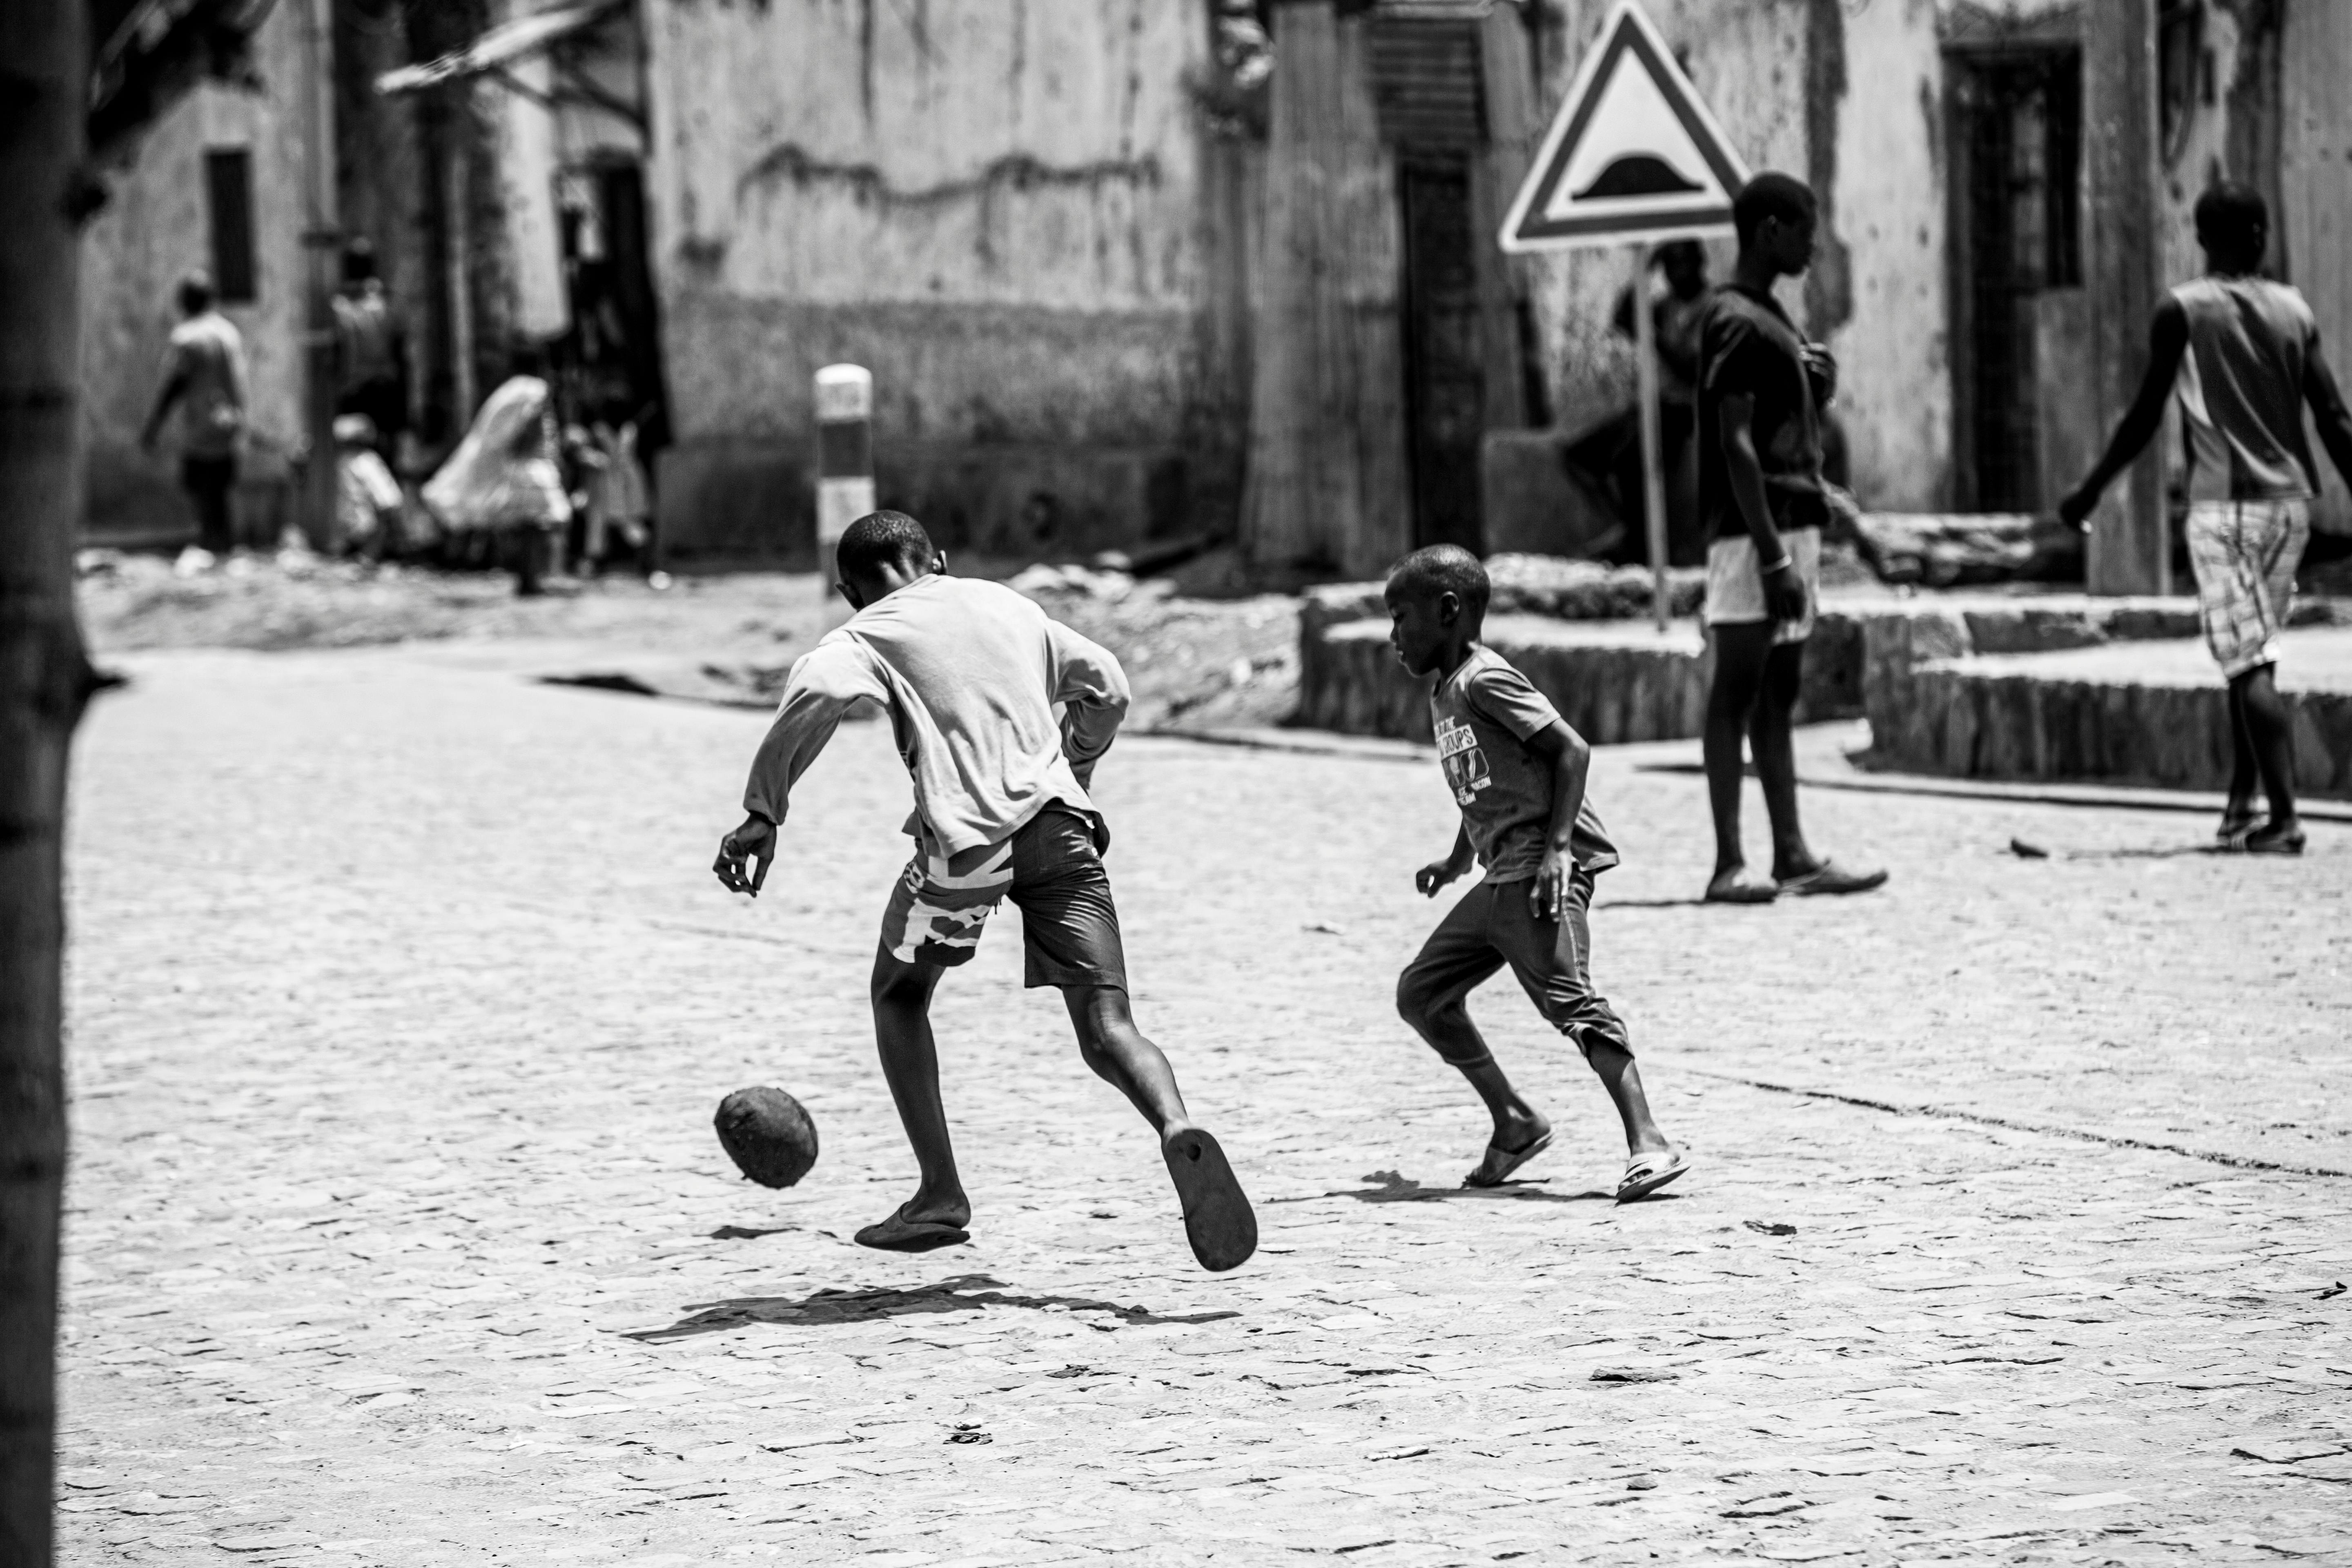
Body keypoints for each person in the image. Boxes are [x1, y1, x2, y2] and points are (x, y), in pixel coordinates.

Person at [710, 512, 1257, 1272]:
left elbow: (818, 697)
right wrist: (1076, 765)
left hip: (968, 849)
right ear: (940, 557)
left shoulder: (865, 635)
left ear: (847, 591)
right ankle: (1174, 1127)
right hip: (1065, 829)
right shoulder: (1012, 606)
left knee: (899, 994)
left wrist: (762, 812)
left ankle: (941, 1193)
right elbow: (1110, 688)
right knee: (1108, 1025)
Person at [2058, 182, 2352, 855]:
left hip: (2221, 509)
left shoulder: (2183, 310)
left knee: (2245, 660)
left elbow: (2143, 418)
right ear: (2263, 235)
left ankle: (2283, 817)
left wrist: (2090, 491)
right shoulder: (2294, 310)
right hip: (2288, 509)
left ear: (2199, 238)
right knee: (2253, 656)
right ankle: (2240, 806)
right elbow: (2333, 417)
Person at [1386, 544, 1686, 1203]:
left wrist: (1557, 852)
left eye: (1401, 619)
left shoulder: (1487, 679)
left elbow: (1571, 751)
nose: (1393, 637)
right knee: (1421, 995)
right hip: (1499, 879)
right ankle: (1515, 1122)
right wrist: (1458, 858)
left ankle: (1650, 1142)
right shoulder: (1446, 692)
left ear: (1447, 611)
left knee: (1571, 1003)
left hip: (1541, 874)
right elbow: (1486, 790)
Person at [1695, 173, 1886, 904]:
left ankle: (1793, 854)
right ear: (1770, 227)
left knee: (1780, 692)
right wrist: (1772, 554)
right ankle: (1727, 863)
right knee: (1736, 692)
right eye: (1805, 227)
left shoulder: (1767, 314)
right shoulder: (1737, 319)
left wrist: (1814, 385)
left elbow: (1775, 422)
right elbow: (1736, 445)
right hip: (1754, 536)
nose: (1813, 242)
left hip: (1790, 528)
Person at [420, 374, 570, 596]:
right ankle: (532, 580)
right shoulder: (534, 412)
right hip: (531, 476)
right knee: (541, 527)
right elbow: (526, 440)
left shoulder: (532, 409)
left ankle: (532, 579)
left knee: (535, 529)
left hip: (528, 474)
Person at [140, 271, 247, 558]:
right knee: (220, 488)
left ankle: (210, 544)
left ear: (185, 301)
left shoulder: (187, 337)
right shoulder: (228, 331)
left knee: (199, 484)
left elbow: (175, 383)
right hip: (228, 421)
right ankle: (224, 547)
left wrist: (154, 424)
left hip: (201, 424)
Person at [332, 240, 408, 456]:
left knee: (356, 454)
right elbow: (400, 355)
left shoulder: (340, 308)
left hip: (355, 392)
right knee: (385, 457)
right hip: (385, 391)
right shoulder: (388, 305)